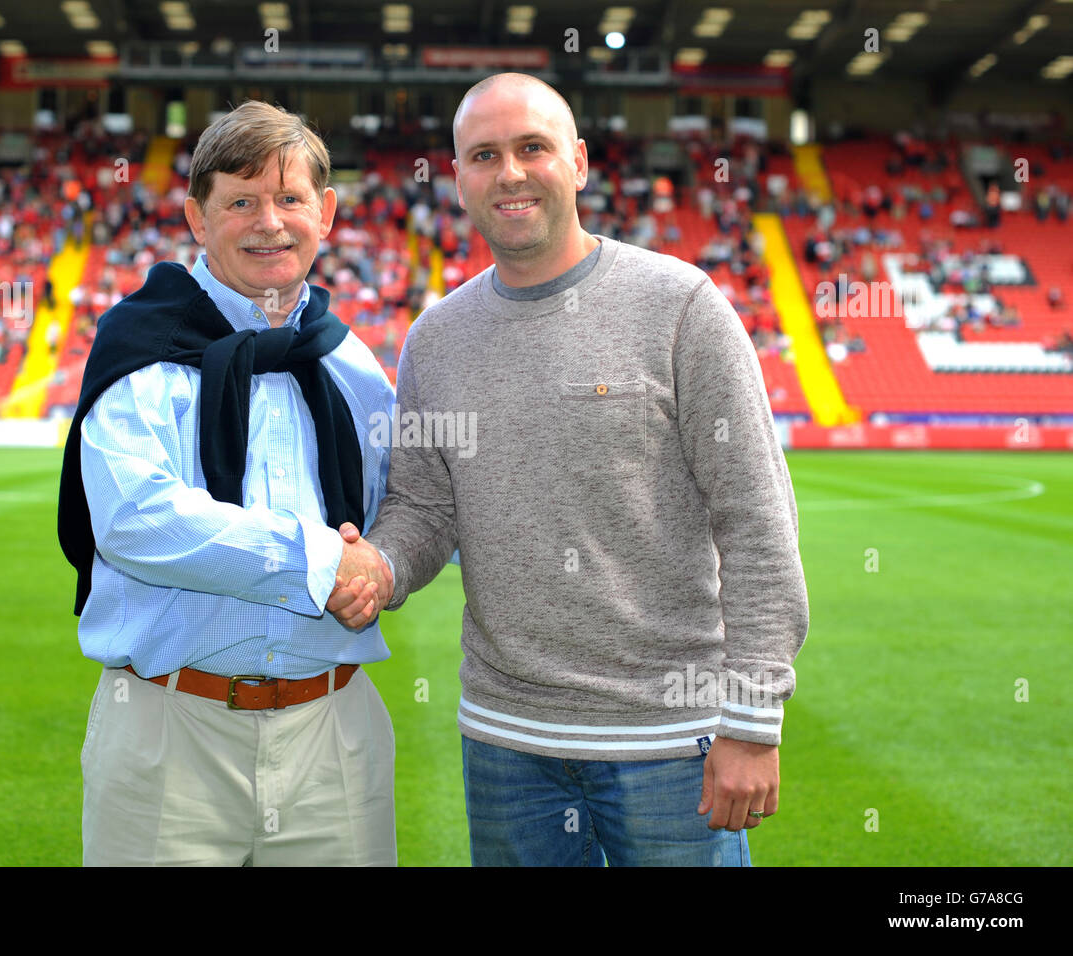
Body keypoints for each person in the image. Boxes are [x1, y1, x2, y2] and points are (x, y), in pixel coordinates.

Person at [329, 73, 809, 867]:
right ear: (458, 179)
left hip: (669, 745)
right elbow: (424, 510)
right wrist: (376, 567)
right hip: (508, 749)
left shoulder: (681, 306)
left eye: (532, 148)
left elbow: (757, 520)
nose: (510, 173)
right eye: (484, 155)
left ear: (578, 162)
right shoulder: (437, 339)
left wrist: (752, 721)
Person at [57, 101, 398, 866]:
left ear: (328, 213)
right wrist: (320, 561)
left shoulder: (355, 370)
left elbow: (405, 514)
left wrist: (382, 568)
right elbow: (137, 521)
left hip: (334, 732)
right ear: (196, 218)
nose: (267, 222)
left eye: (289, 199)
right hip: (169, 733)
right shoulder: (139, 347)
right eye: (240, 201)